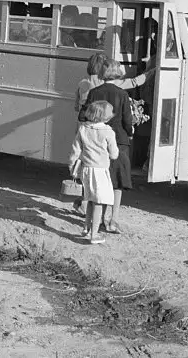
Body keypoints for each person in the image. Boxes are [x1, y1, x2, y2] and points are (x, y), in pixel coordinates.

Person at [80, 58, 134, 234]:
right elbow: (127, 120)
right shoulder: (123, 94)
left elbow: (82, 116)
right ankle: (112, 220)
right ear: (117, 73)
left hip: (97, 139)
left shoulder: (94, 92)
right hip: (118, 139)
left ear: (103, 73)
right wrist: (130, 131)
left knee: (101, 181)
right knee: (117, 182)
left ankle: (97, 219)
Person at [69, 100, 118, 245]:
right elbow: (114, 154)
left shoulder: (83, 128)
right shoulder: (108, 131)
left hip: (86, 169)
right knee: (99, 202)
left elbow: (75, 150)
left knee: (90, 199)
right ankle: (94, 234)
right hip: (100, 170)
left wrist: (72, 167)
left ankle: (86, 227)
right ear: (106, 116)